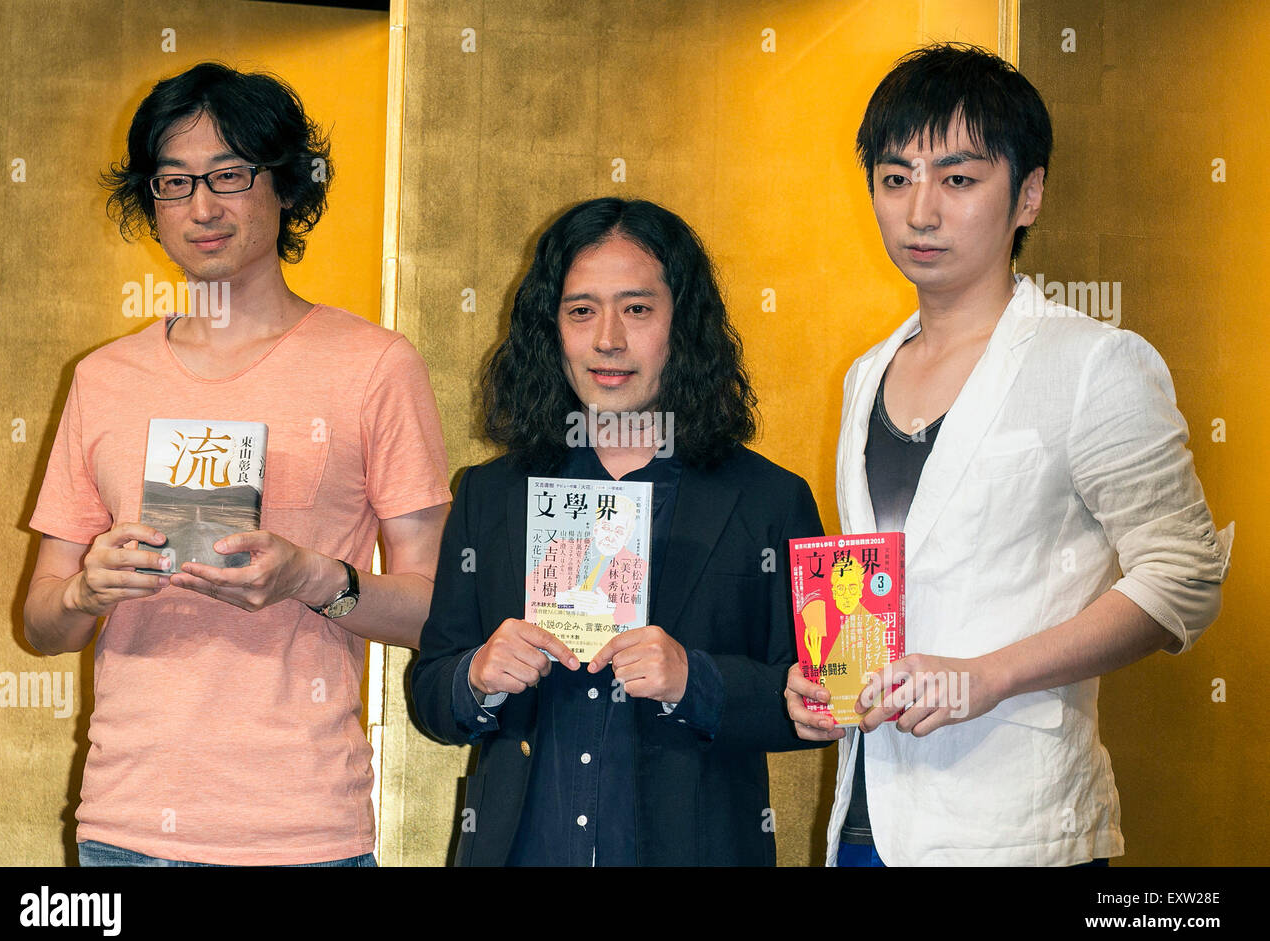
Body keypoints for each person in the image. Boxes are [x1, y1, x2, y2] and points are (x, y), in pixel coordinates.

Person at [785, 43, 1232, 866]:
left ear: (1027, 194)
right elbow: (884, 583)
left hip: (1017, 824)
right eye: (895, 178)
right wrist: (822, 680)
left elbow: (1185, 575)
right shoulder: (864, 376)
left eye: (958, 179)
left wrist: (986, 674)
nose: (920, 211)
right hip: (867, 816)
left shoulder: (1092, 362)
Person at [22, 62, 451, 866]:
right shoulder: (103, 378)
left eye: (228, 175)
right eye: (174, 183)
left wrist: (309, 578)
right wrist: (87, 588)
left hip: (303, 832)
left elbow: (437, 612)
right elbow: (43, 623)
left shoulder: (374, 365)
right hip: (125, 827)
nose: (202, 208)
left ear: (285, 186)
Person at [411, 197, 825, 866]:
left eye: (637, 309)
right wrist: (477, 676)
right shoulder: (490, 496)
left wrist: (698, 679)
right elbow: (431, 694)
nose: (608, 339)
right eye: (581, 311)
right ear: (552, 330)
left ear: (681, 325)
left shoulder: (768, 500)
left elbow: (819, 704)